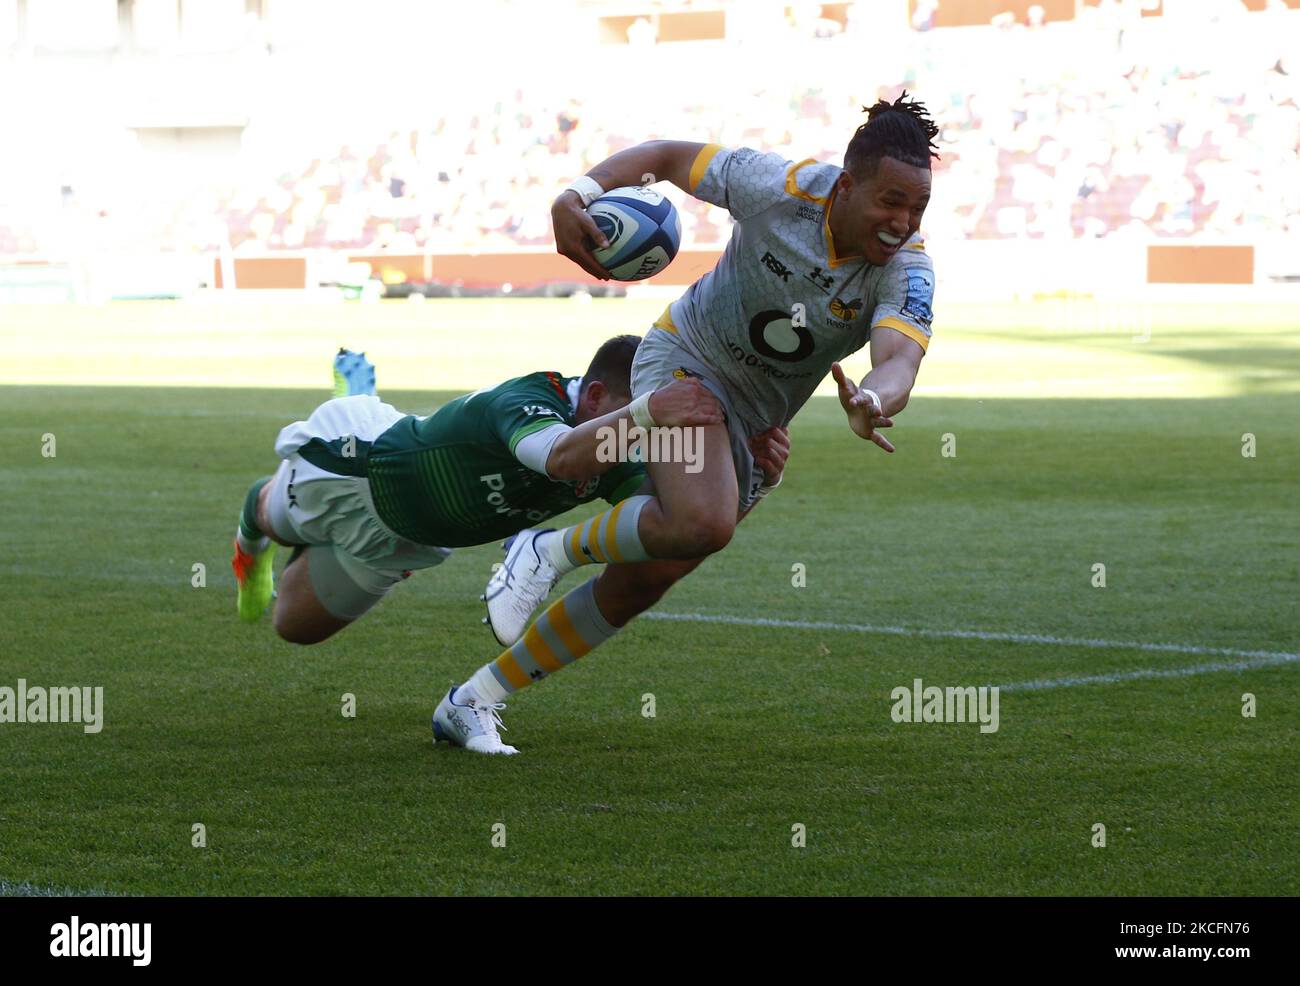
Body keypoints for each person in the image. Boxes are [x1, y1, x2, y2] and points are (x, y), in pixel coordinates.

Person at [471, 93, 938, 747]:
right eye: (891, 201)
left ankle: (475, 700)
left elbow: (899, 361)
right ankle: (545, 548)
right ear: (847, 183)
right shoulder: (776, 186)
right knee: (704, 521)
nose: (903, 221)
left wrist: (874, 398)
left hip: (753, 421)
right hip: (685, 363)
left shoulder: (909, 269)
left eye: (917, 206)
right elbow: (662, 156)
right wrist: (574, 195)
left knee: (648, 577)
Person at [229, 336, 738, 749]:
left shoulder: (616, 442)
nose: (639, 436)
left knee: (293, 627)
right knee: (273, 518)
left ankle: (318, 514)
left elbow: (666, 524)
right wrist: (651, 413)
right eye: (635, 411)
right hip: (355, 470)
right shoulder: (531, 398)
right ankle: (254, 544)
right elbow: (559, 456)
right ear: (597, 396)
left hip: (402, 539)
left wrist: (752, 470)